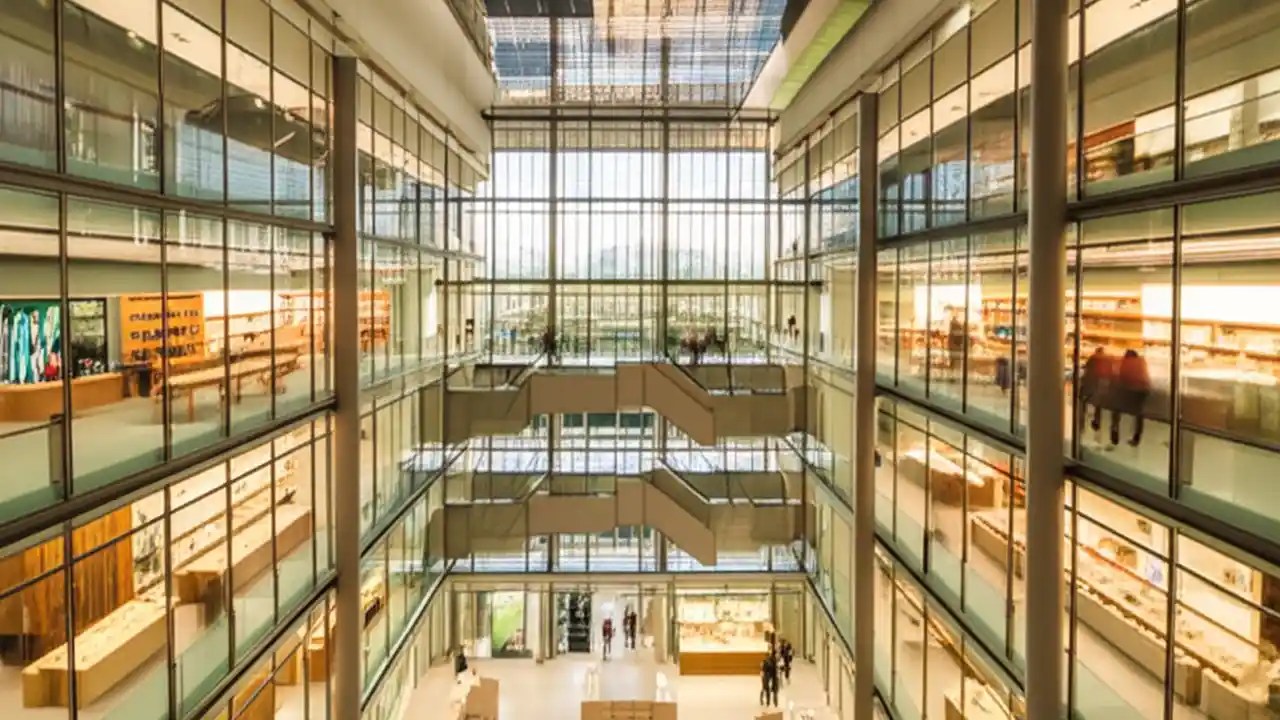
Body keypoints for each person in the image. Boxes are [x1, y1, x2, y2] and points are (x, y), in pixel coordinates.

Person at [1111, 349, 1151, 447]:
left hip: (1130, 390)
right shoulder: (1142, 361)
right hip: (1143, 391)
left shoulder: (1125, 362)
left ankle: (1114, 428)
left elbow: (1121, 377)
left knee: (1116, 408)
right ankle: (1137, 437)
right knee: (1139, 413)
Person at [1079, 346, 1114, 435]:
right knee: (1098, 404)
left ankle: (1081, 421)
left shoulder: (1092, 358)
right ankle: (1096, 421)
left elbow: (1087, 368)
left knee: (1083, 402)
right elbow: (1110, 372)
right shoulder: (1107, 360)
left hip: (1090, 383)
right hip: (1100, 384)